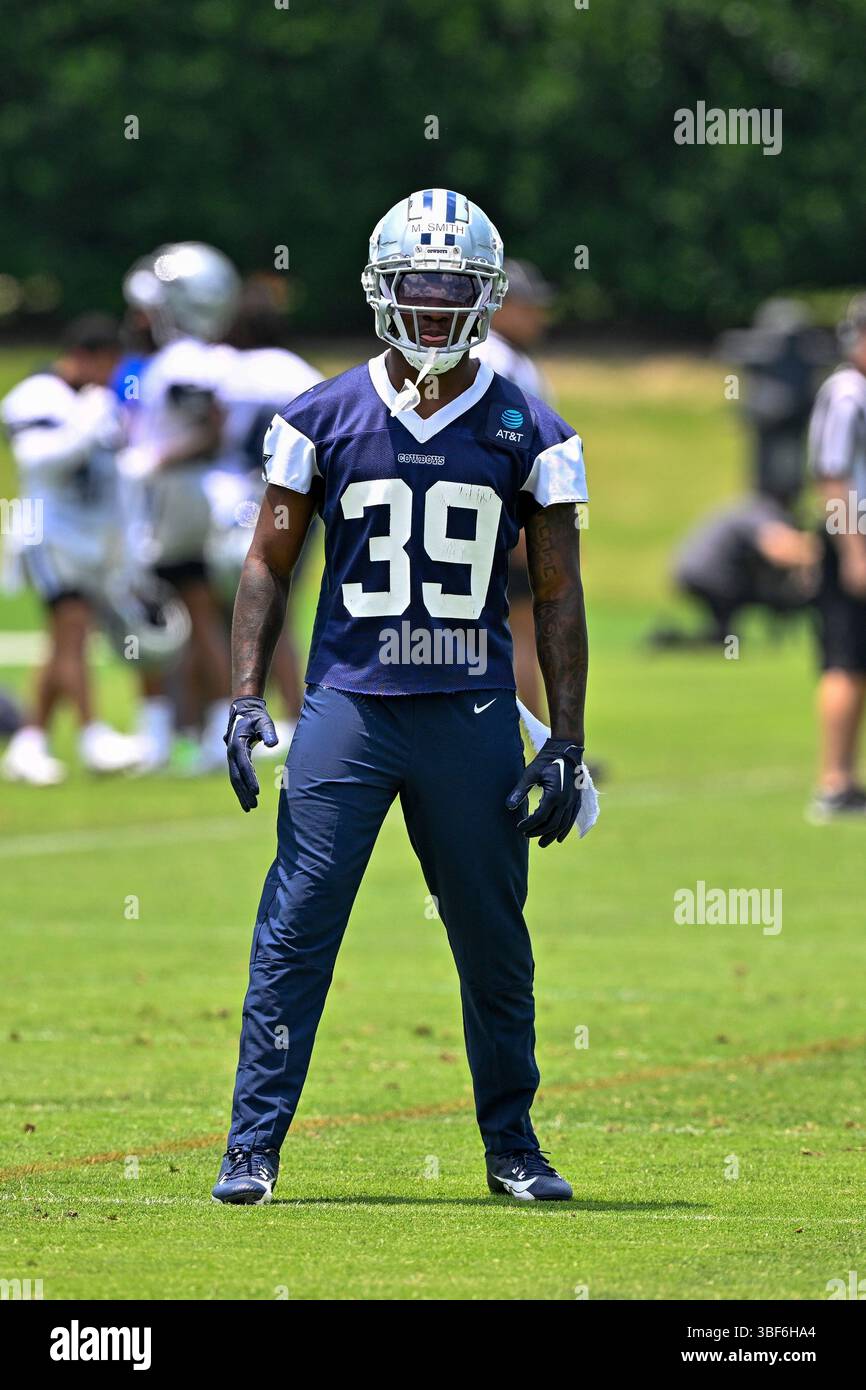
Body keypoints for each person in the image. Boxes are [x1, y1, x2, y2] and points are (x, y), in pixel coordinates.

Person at [211, 188, 589, 1205]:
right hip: (349, 704)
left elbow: (556, 592)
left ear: (485, 295)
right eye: (416, 288)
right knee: (295, 927)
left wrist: (565, 738)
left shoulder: (529, 426)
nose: (431, 306)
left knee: (493, 941)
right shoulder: (321, 413)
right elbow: (263, 565)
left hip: (467, 709)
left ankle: (512, 1145)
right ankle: (251, 1146)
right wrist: (244, 693)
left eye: (452, 289)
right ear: (383, 290)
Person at [1, 315, 142, 784]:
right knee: (73, 627)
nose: (109, 379)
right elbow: (36, 458)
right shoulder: (37, 395)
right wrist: (87, 420)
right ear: (84, 357)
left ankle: (28, 741)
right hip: (46, 531)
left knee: (63, 638)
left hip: (88, 536)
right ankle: (92, 732)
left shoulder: (96, 401)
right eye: (106, 366)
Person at [119, 242, 241, 772]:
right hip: (182, 495)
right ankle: (199, 726)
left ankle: (170, 732)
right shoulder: (180, 359)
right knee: (192, 609)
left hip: (173, 496)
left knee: (154, 608)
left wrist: (155, 457)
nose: (142, 318)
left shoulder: (184, 362)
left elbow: (208, 431)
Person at [206, 283, 323, 740]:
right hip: (293, 500)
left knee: (228, 608)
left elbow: (210, 432)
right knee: (282, 605)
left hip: (233, 502)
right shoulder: (304, 374)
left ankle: (222, 716)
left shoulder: (225, 373)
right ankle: (294, 715)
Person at [474, 259, 554, 709]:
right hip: (504, 514)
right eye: (529, 306)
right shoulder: (503, 360)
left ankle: (530, 734)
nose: (538, 316)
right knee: (519, 628)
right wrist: (524, 522)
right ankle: (537, 737)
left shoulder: (489, 356)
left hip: (481, 513)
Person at [807, 294, 866, 820]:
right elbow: (832, 474)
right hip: (855, 540)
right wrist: (853, 551)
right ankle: (834, 780)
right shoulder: (847, 391)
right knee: (846, 660)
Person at [653, 494, 818, 646]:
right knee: (757, 597)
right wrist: (818, 552)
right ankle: (704, 641)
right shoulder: (761, 513)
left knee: (724, 631)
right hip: (709, 577)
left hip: (692, 572)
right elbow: (779, 549)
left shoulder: (746, 508)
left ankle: (710, 638)